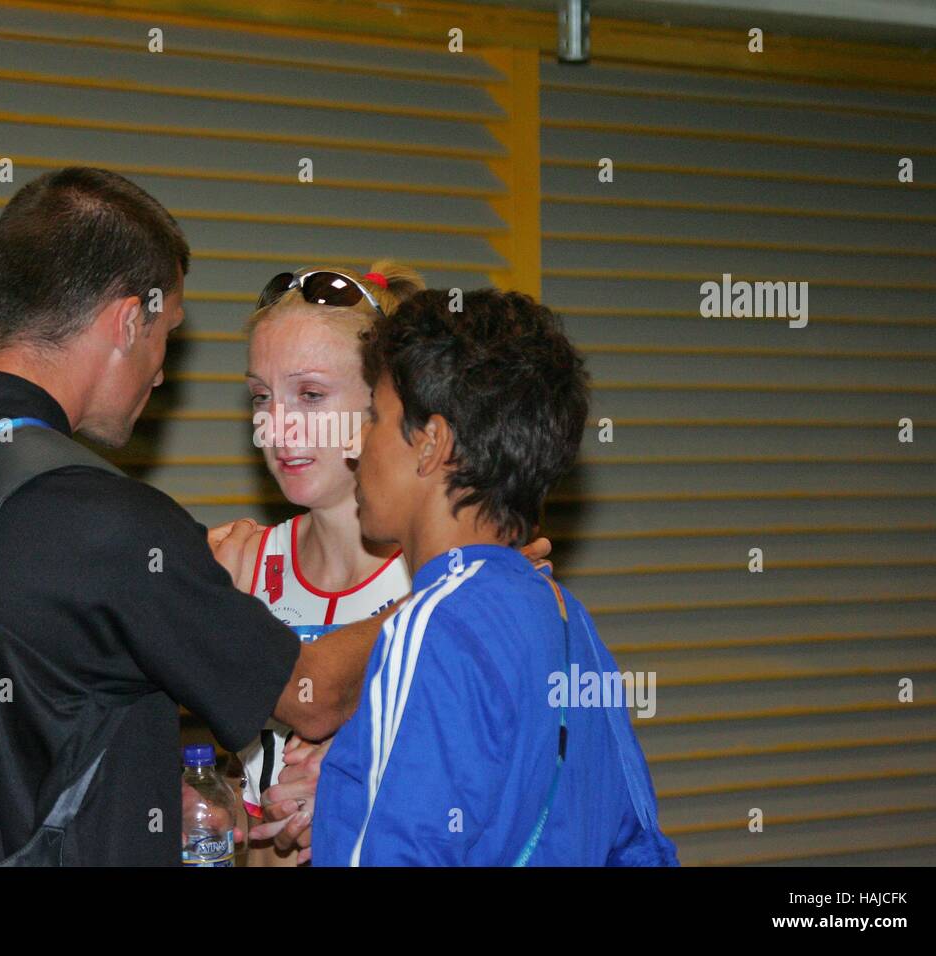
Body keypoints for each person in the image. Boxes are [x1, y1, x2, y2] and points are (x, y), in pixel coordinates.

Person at [0, 167, 385, 865]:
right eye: (165, 334)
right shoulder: (108, 523)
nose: (160, 373)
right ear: (126, 321)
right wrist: (451, 591)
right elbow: (313, 694)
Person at [268, 287, 679, 865]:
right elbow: (637, 843)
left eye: (375, 419)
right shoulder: (565, 618)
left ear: (431, 444)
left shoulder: (428, 628)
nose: (357, 447)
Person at [209, 264, 552, 865]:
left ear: (387, 404)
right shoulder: (238, 565)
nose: (275, 426)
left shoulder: (466, 572)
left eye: (310, 395)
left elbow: (514, 793)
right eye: (260, 397)